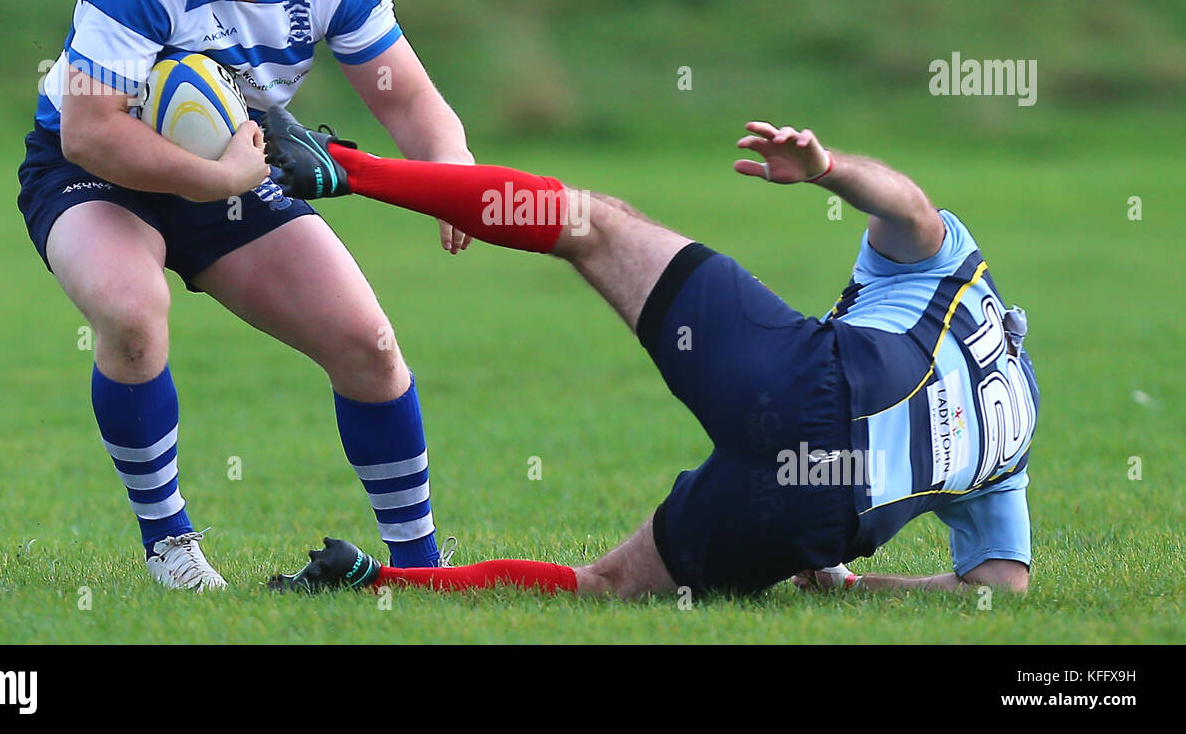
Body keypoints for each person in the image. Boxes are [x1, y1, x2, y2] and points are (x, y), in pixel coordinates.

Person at [262, 111, 1038, 599]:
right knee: (608, 586)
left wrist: (828, 170)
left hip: (805, 379)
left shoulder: (959, 274)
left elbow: (904, 203)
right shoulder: (1014, 446)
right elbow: (999, 586)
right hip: (815, 514)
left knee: (591, 224)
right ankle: (376, 585)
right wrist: (861, 584)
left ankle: (345, 168)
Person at [17, 0, 473, 590]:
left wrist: (454, 180)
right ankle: (170, 544)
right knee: (132, 313)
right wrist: (211, 176)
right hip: (89, 172)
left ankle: (421, 568)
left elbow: (412, 103)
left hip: (229, 169)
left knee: (369, 342)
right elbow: (90, 131)